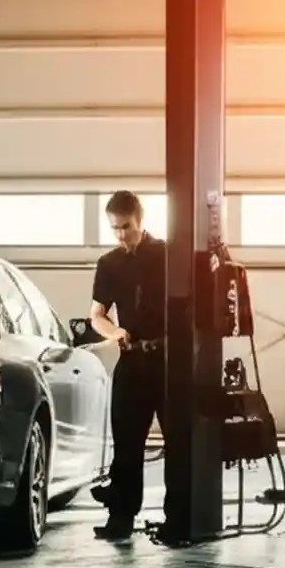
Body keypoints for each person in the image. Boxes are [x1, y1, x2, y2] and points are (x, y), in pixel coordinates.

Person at [89, 191, 167, 540]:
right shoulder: (109, 264)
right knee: (126, 443)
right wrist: (114, 331)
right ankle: (120, 518)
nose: (121, 235)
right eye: (115, 228)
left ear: (140, 220)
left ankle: (179, 518)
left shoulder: (168, 256)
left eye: (126, 227)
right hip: (132, 361)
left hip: (168, 363)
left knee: (180, 442)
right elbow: (97, 315)